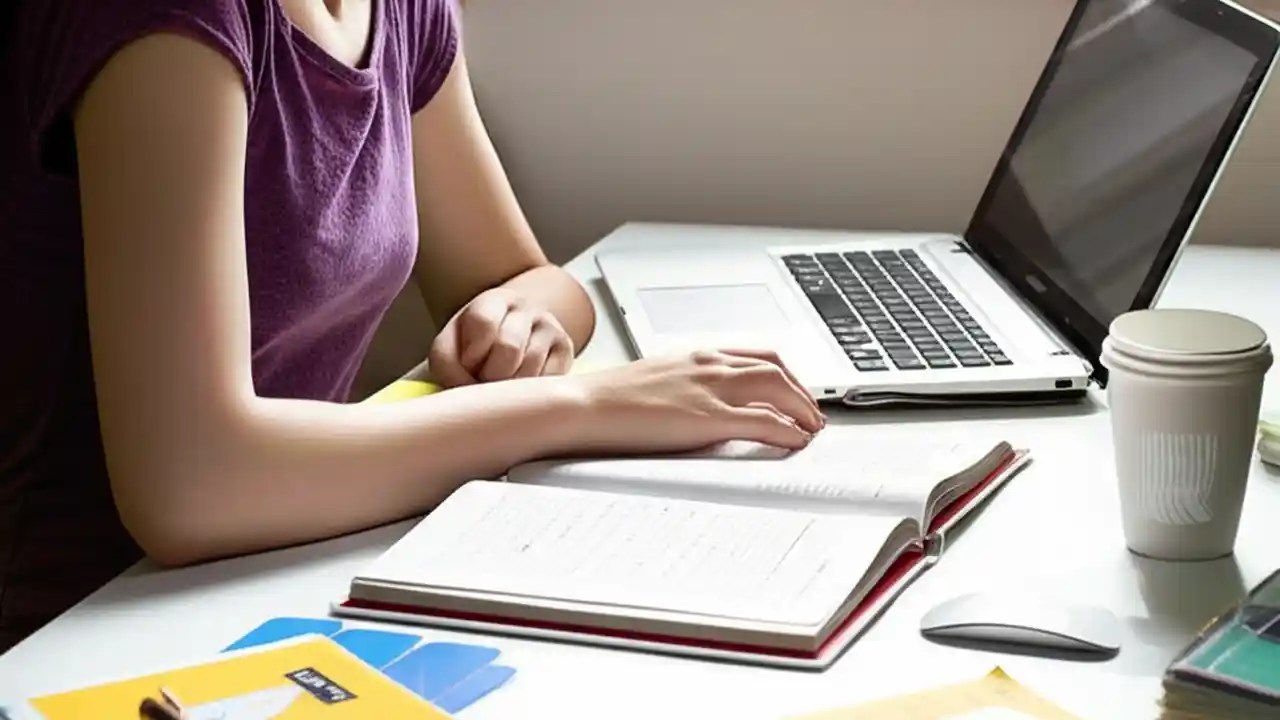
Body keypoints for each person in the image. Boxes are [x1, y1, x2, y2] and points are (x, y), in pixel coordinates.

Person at [0, 0, 825, 652]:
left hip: (261, 577)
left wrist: (525, 317)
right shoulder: (173, 19)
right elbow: (188, 489)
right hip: (74, 632)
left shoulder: (401, 12)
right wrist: (589, 409)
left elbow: (523, 278)